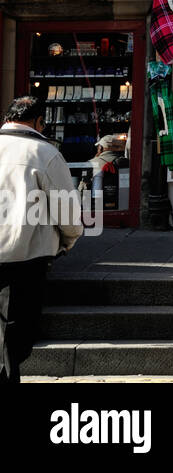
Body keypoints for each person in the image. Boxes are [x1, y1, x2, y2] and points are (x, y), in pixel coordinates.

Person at [1, 96, 83, 383]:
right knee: (18, 333)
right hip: (25, 257)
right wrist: (68, 240)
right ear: (40, 122)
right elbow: (68, 211)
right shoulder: (44, 152)